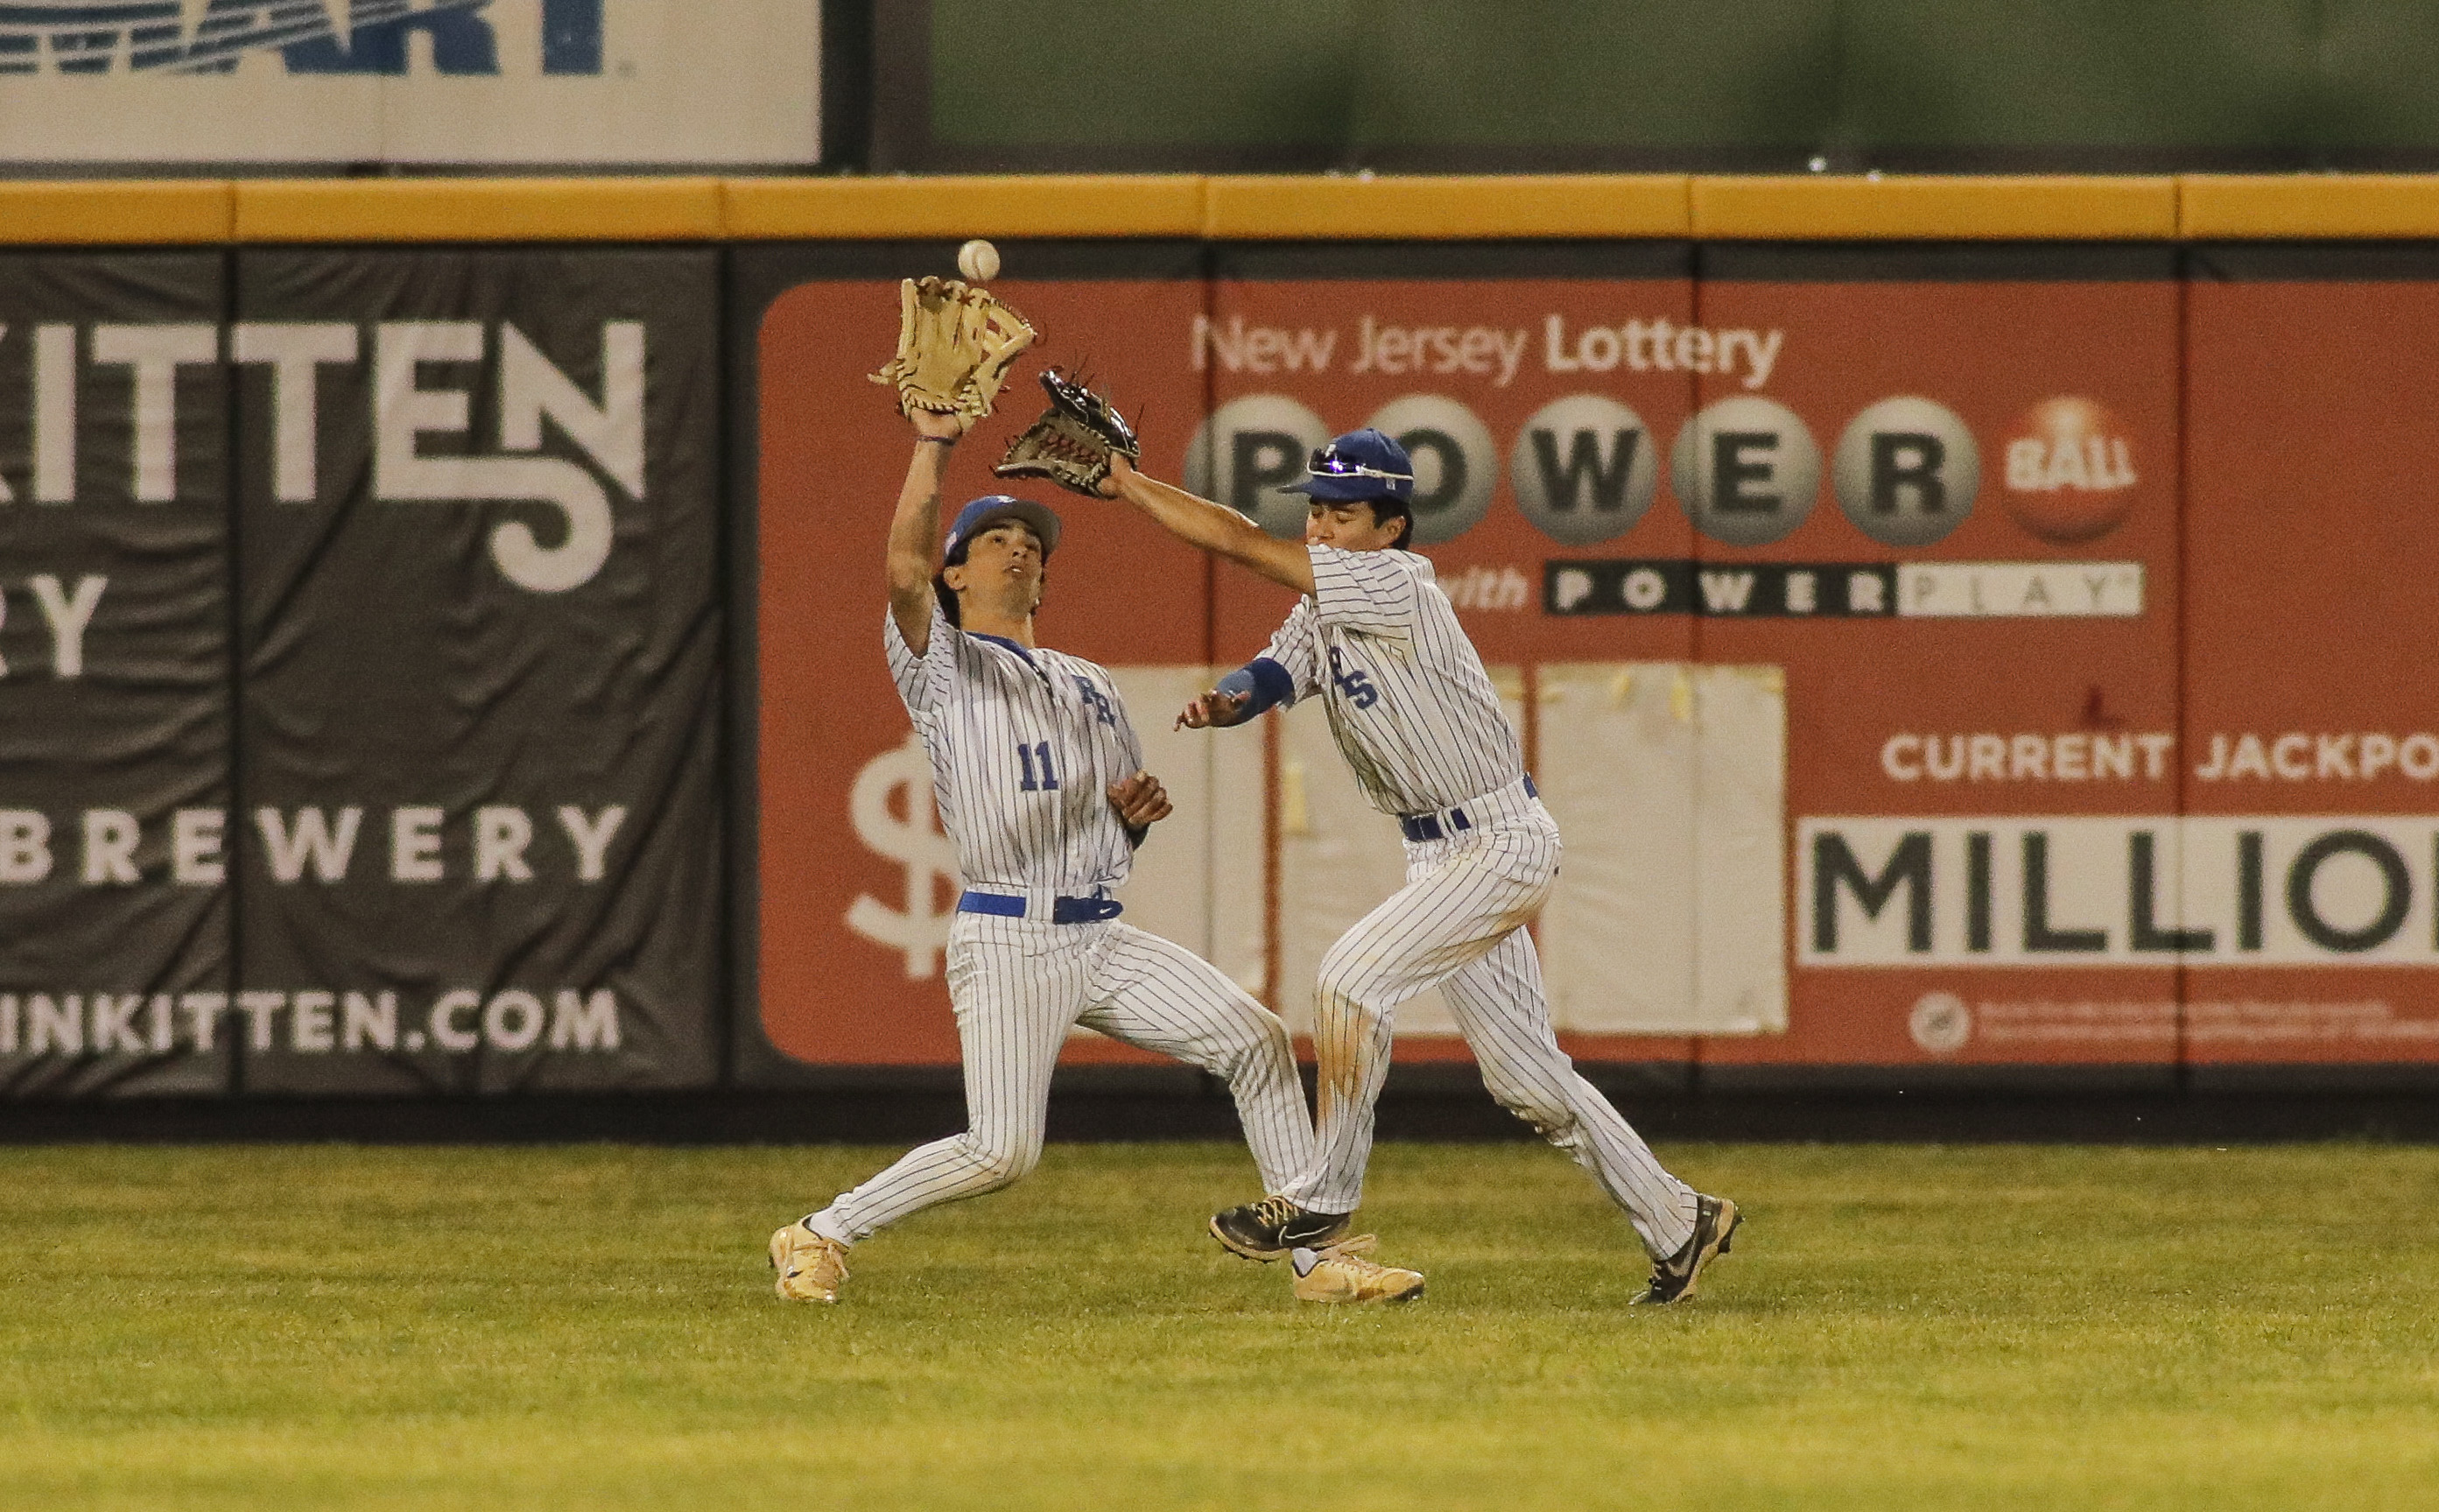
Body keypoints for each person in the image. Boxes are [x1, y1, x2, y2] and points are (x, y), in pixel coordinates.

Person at [771, 404, 1409, 1306]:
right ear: (955, 572)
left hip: (1099, 934)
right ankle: (820, 1231)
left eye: (1028, 538)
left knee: (1257, 1038)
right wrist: (931, 441)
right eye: (992, 538)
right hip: (1008, 934)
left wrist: (1135, 815)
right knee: (1001, 1150)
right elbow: (901, 568)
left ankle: (1316, 1261)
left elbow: (1116, 826)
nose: (1017, 548)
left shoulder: (1088, 682)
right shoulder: (939, 662)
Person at [1099, 428, 1740, 1305]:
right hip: (1438, 852)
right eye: (1315, 509)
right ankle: (1681, 1221)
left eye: (1344, 513)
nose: (1321, 527)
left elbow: (1244, 545)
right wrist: (1230, 699)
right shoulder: (1330, 598)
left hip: (1498, 839)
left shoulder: (1397, 582)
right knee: (1527, 1083)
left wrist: (1131, 486)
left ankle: (1318, 1205)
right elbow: (1279, 669)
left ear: (1392, 527)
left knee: (1349, 979)